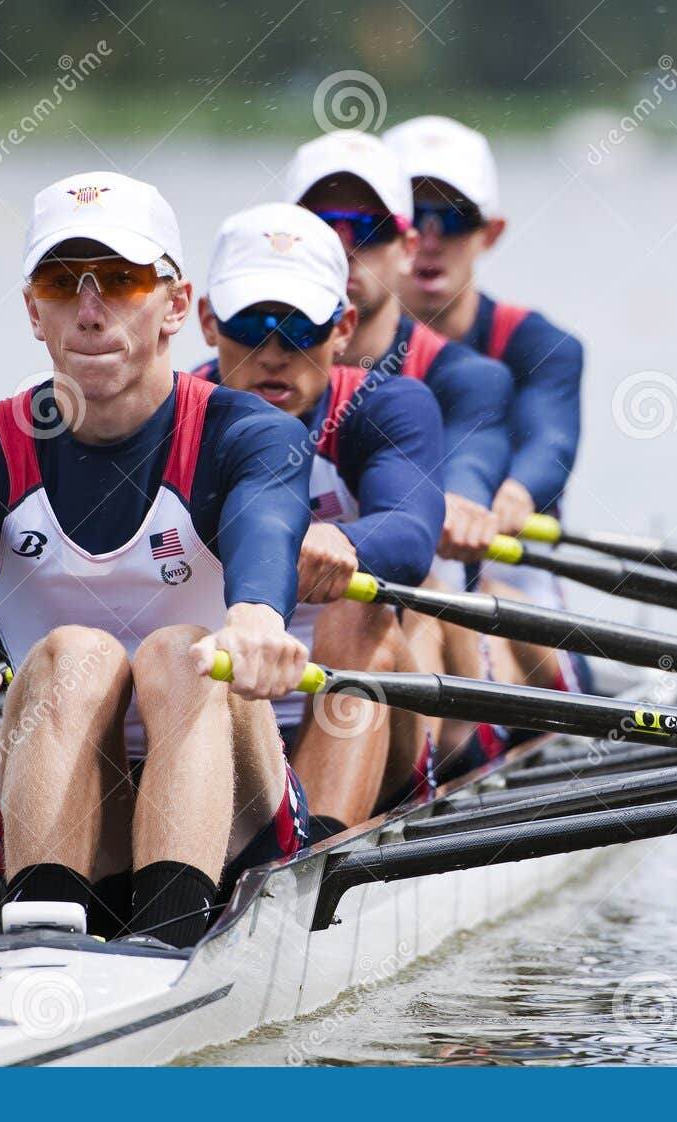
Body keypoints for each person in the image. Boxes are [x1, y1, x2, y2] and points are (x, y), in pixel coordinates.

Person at [0, 171, 314, 950]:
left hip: (238, 815)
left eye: (121, 280)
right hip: (71, 798)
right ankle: (45, 948)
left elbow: (266, 533)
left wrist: (255, 620)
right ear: (33, 310)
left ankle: (168, 941)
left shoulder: (253, 437)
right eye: (62, 282)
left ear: (175, 305)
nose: (90, 311)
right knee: (72, 654)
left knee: (184, 652)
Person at [191, 202, 446, 829]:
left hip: (367, 716)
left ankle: (315, 854)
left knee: (357, 614)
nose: (275, 354)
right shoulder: (168, 418)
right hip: (218, 704)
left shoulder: (386, 407)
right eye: (251, 325)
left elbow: (411, 536)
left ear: (343, 327)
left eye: (301, 328)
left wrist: (341, 539)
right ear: (205, 321)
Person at [282, 129, 515, 756]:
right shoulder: (227, 382)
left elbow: (475, 454)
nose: (342, 247)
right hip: (277, 647)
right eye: (320, 226)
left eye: (368, 229)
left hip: (428, 623)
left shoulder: (462, 378)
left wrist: (462, 500)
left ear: (404, 246)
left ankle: (449, 754)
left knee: (431, 597)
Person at [385, 115, 590, 698]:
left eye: (453, 217)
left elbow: (549, 444)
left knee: (451, 598)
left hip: (519, 600)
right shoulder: (332, 350)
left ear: (490, 232)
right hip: (398, 593)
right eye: (411, 218)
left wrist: (513, 497)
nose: (430, 237)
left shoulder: (539, 346)